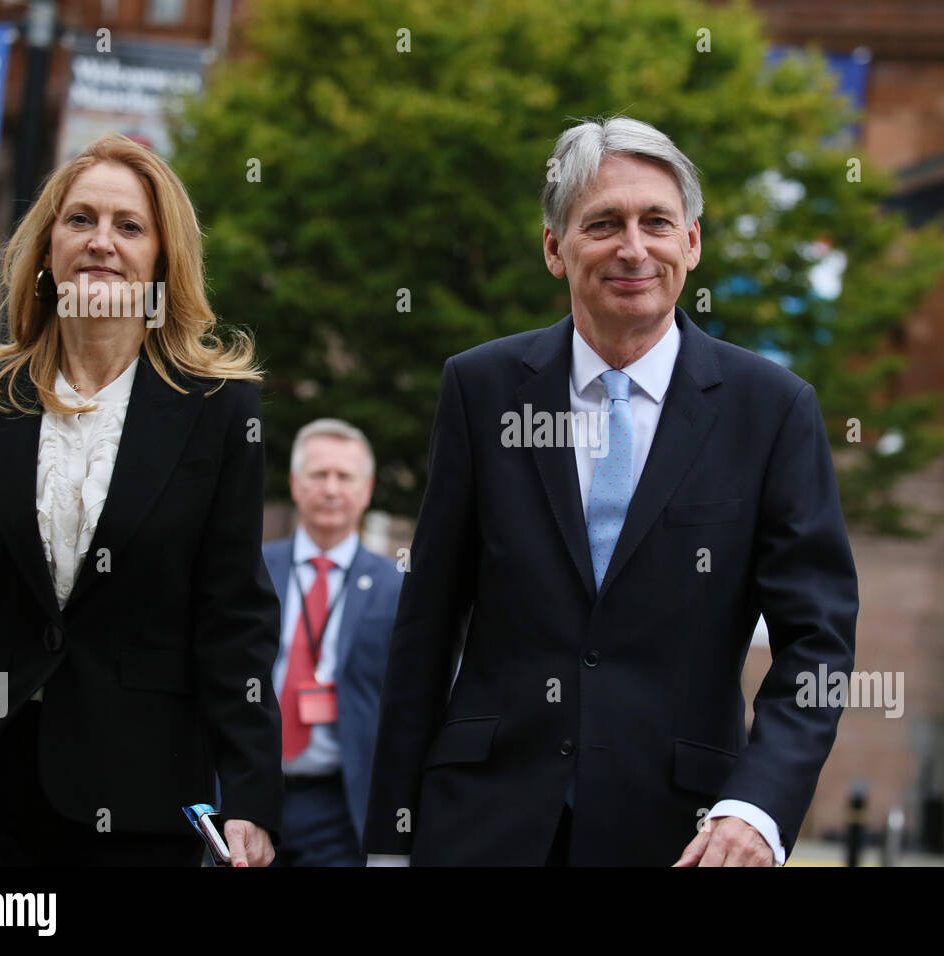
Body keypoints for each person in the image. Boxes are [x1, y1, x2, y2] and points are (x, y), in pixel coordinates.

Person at [364, 116, 859, 866]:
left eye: (656, 222)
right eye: (603, 224)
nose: (634, 248)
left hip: (681, 834)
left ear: (691, 243)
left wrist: (759, 807)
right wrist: (391, 840)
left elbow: (817, 644)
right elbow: (426, 625)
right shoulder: (481, 388)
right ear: (554, 249)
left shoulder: (772, 410)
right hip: (482, 827)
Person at [0, 132, 283, 866]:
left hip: (140, 797)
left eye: (128, 226)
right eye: (80, 220)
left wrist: (250, 793)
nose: (101, 242)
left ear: (162, 260)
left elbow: (234, 613)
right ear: (48, 248)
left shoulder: (219, 411)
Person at [262, 419, 401, 865]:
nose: (331, 488)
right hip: (251, 796)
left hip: (341, 804)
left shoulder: (395, 587)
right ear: (295, 485)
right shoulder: (253, 571)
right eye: (318, 475)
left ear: (367, 489)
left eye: (345, 476)